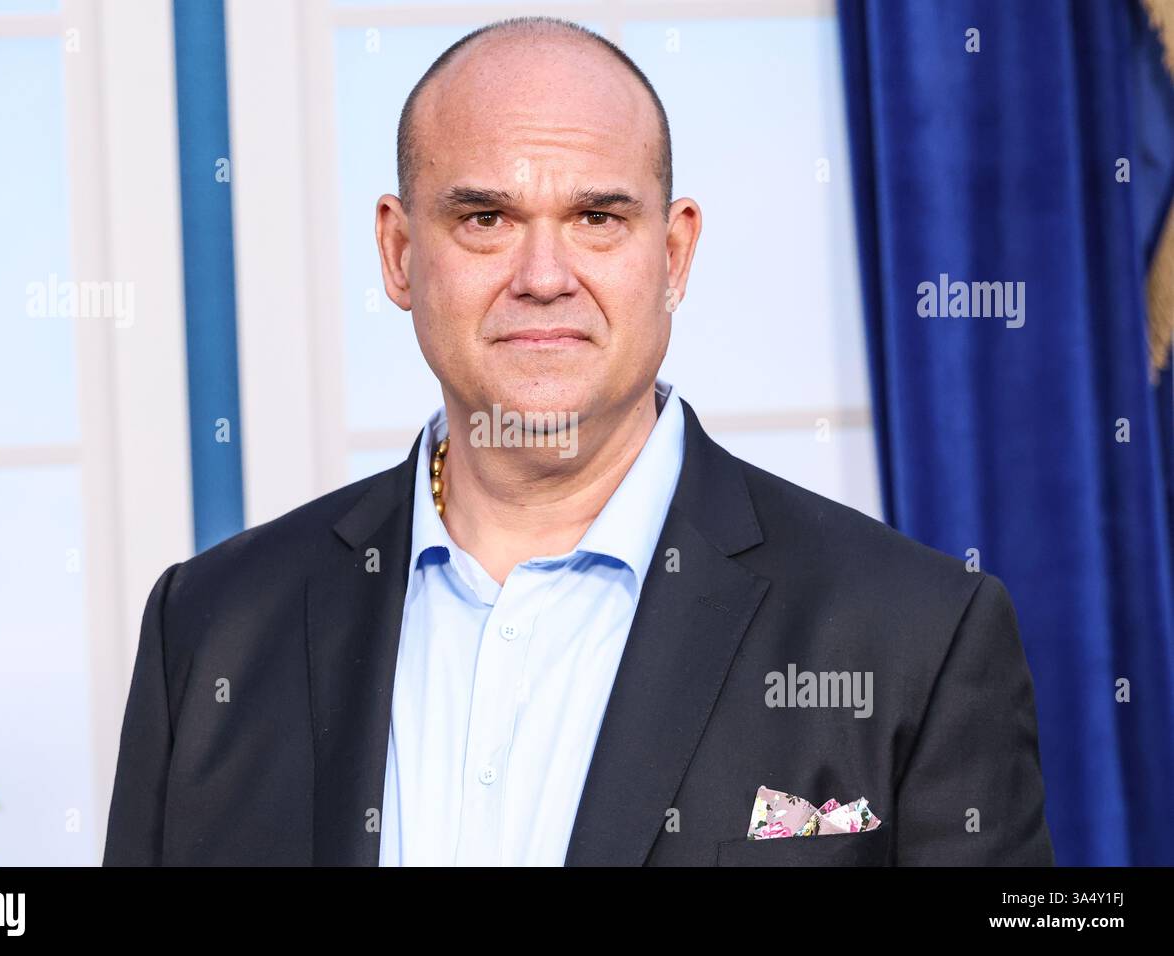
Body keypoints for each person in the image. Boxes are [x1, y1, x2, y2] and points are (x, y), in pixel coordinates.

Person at [103, 15, 1053, 866]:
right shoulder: (209, 632)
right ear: (398, 254)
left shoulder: (915, 635)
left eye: (598, 218)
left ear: (674, 254)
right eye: (485, 219)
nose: (544, 276)